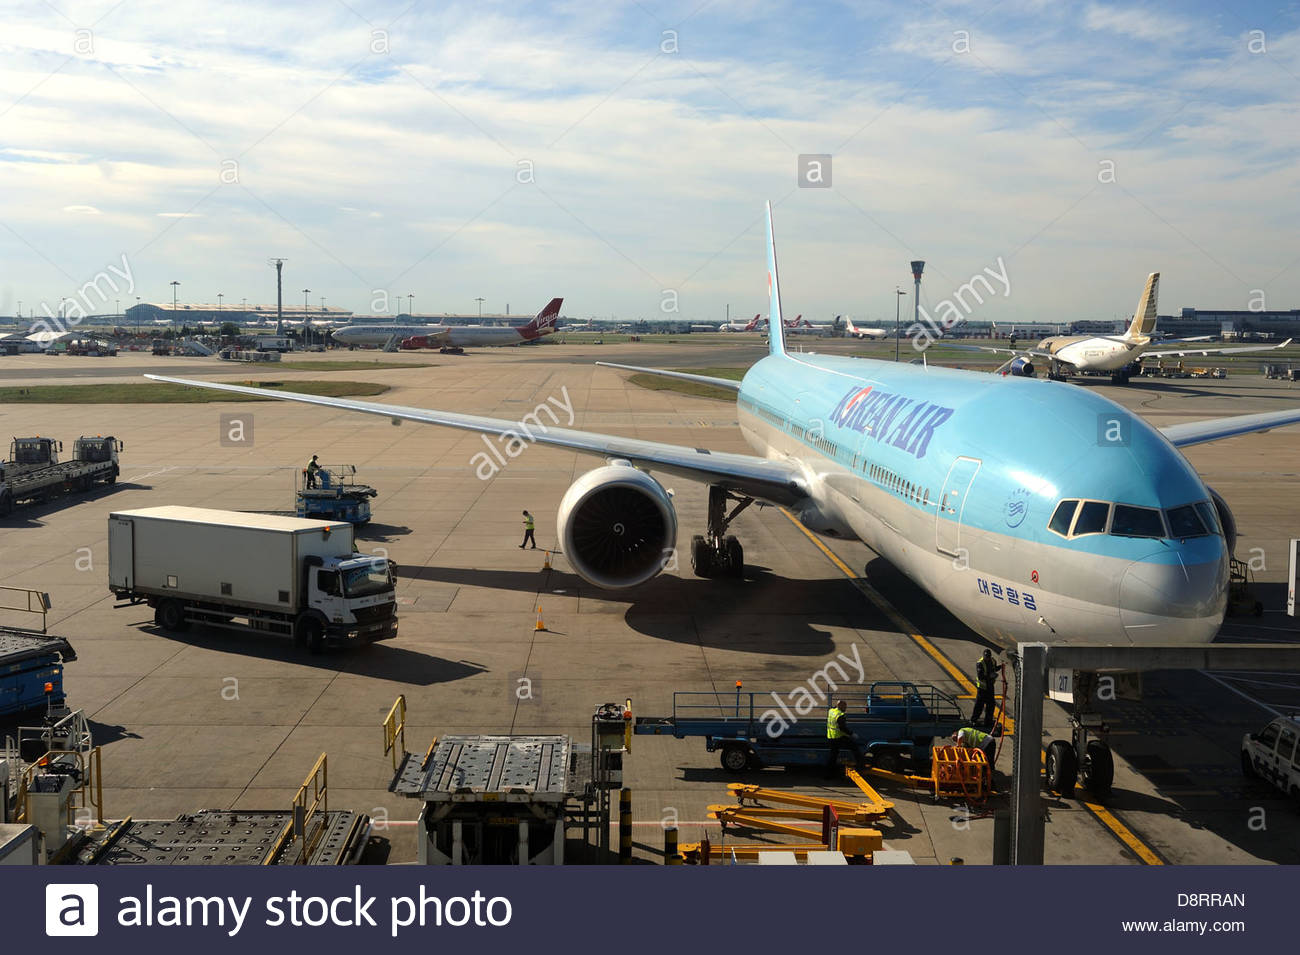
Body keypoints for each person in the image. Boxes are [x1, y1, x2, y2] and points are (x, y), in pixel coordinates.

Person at [824, 699, 862, 779]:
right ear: (841, 706)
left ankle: (828, 775)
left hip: (830, 736)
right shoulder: (840, 715)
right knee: (854, 747)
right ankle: (861, 765)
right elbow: (843, 728)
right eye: (845, 706)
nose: (846, 708)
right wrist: (852, 734)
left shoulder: (831, 711)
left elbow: (834, 707)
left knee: (833, 756)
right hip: (838, 737)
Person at [971, 648, 999, 730]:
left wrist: (1000, 667)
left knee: (991, 705)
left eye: (989, 657)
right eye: (986, 657)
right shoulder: (980, 663)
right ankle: (974, 720)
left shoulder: (993, 661)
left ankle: (988, 721)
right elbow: (980, 676)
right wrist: (990, 676)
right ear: (984, 656)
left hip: (990, 687)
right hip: (982, 688)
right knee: (979, 705)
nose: (988, 658)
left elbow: (994, 668)